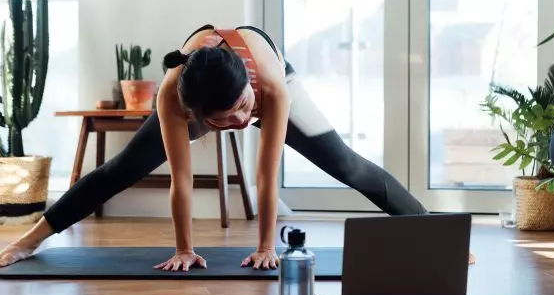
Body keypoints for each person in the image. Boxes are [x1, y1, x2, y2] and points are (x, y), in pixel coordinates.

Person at [0, 24, 472, 271]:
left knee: (345, 164)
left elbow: (267, 176)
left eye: (245, 110)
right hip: (209, 95)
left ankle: (435, 233)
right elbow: (181, 180)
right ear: (201, 119)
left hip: (274, 83)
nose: (243, 124)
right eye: (229, 121)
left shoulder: (266, 87)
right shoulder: (173, 97)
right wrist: (184, 248)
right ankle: (29, 240)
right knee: (120, 169)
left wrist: (267, 246)